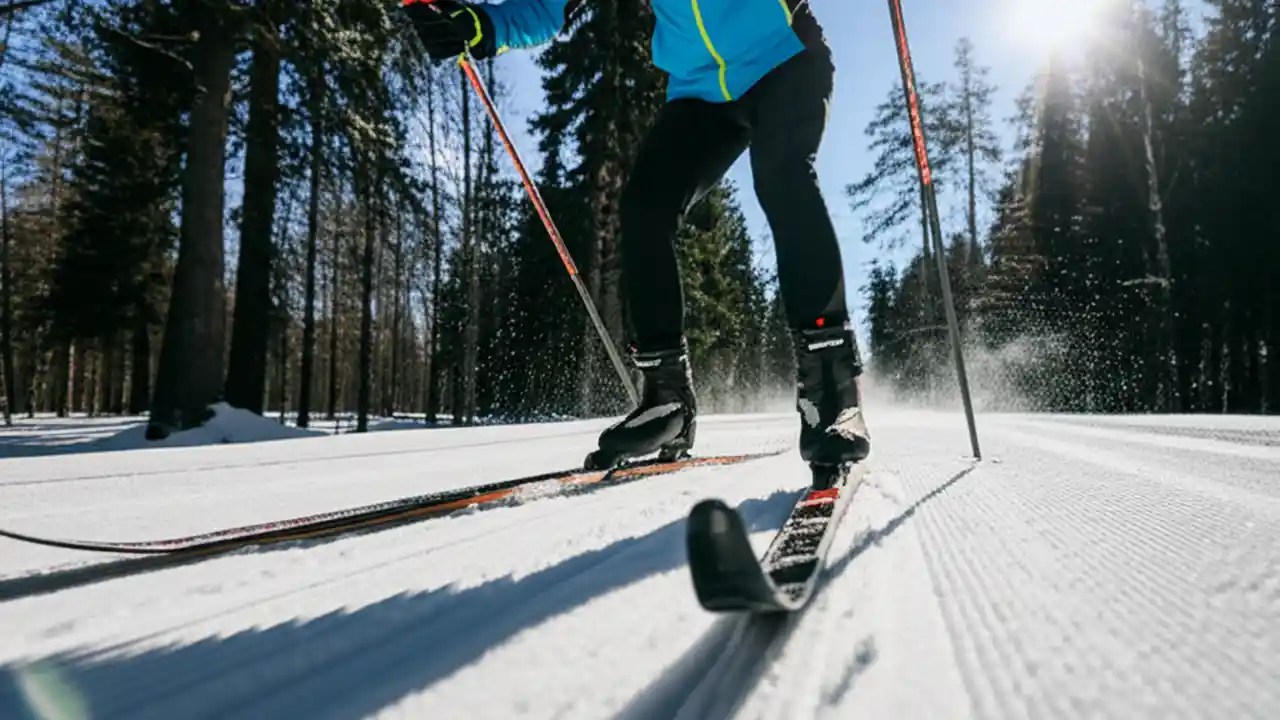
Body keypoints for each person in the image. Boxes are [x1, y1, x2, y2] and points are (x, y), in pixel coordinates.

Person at [404, 0, 871, 472]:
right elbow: (550, 6)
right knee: (647, 206)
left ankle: (831, 390)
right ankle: (667, 399)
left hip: (785, 54)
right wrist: (481, 26)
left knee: (782, 175)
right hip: (701, 87)